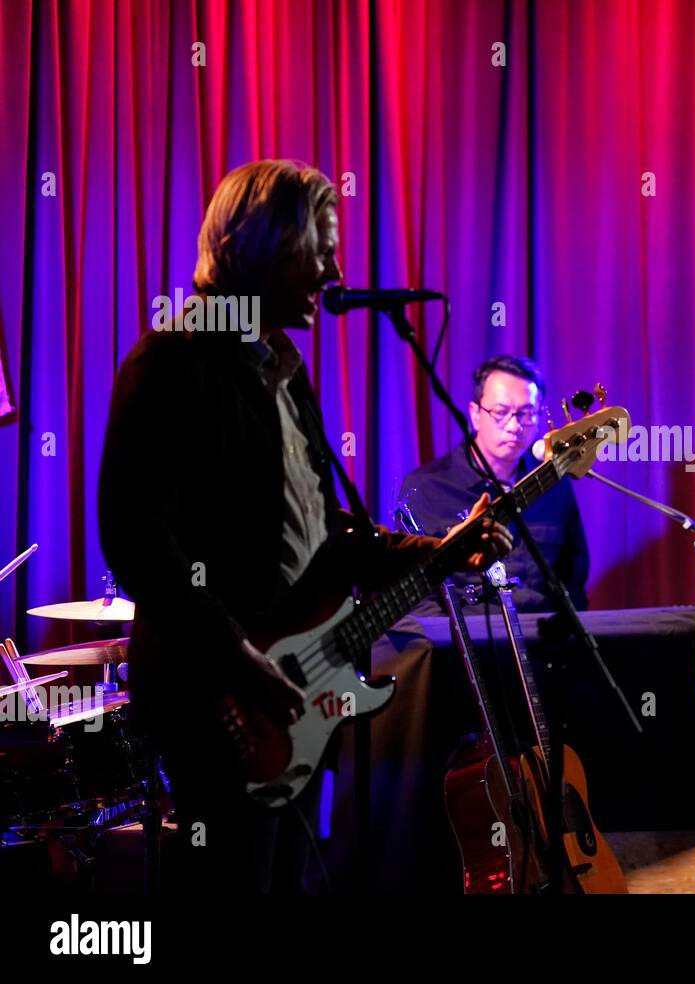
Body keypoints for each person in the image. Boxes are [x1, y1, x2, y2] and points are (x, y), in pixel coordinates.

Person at [99, 159, 511, 893]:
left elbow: (330, 537)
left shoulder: (283, 368)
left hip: (286, 701)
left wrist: (447, 550)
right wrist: (236, 659)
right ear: (264, 249)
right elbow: (133, 537)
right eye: (320, 247)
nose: (334, 268)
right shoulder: (172, 362)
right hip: (214, 697)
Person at [397, 354, 589, 613]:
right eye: (500, 412)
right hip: (467, 646)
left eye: (527, 413)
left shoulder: (554, 483)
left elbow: (574, 578)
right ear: (475, 414)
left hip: (545, 643)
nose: (514, 426)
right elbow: (419, 598)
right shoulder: (427, 488)